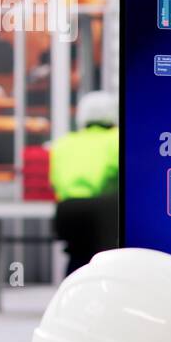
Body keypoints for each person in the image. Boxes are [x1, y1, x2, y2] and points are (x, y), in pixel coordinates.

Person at [50, 90, 119, 273]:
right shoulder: (118, 140)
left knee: (77, 257)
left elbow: (55, 181)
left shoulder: (64, 143)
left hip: (67, 211)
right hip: (102, 214)